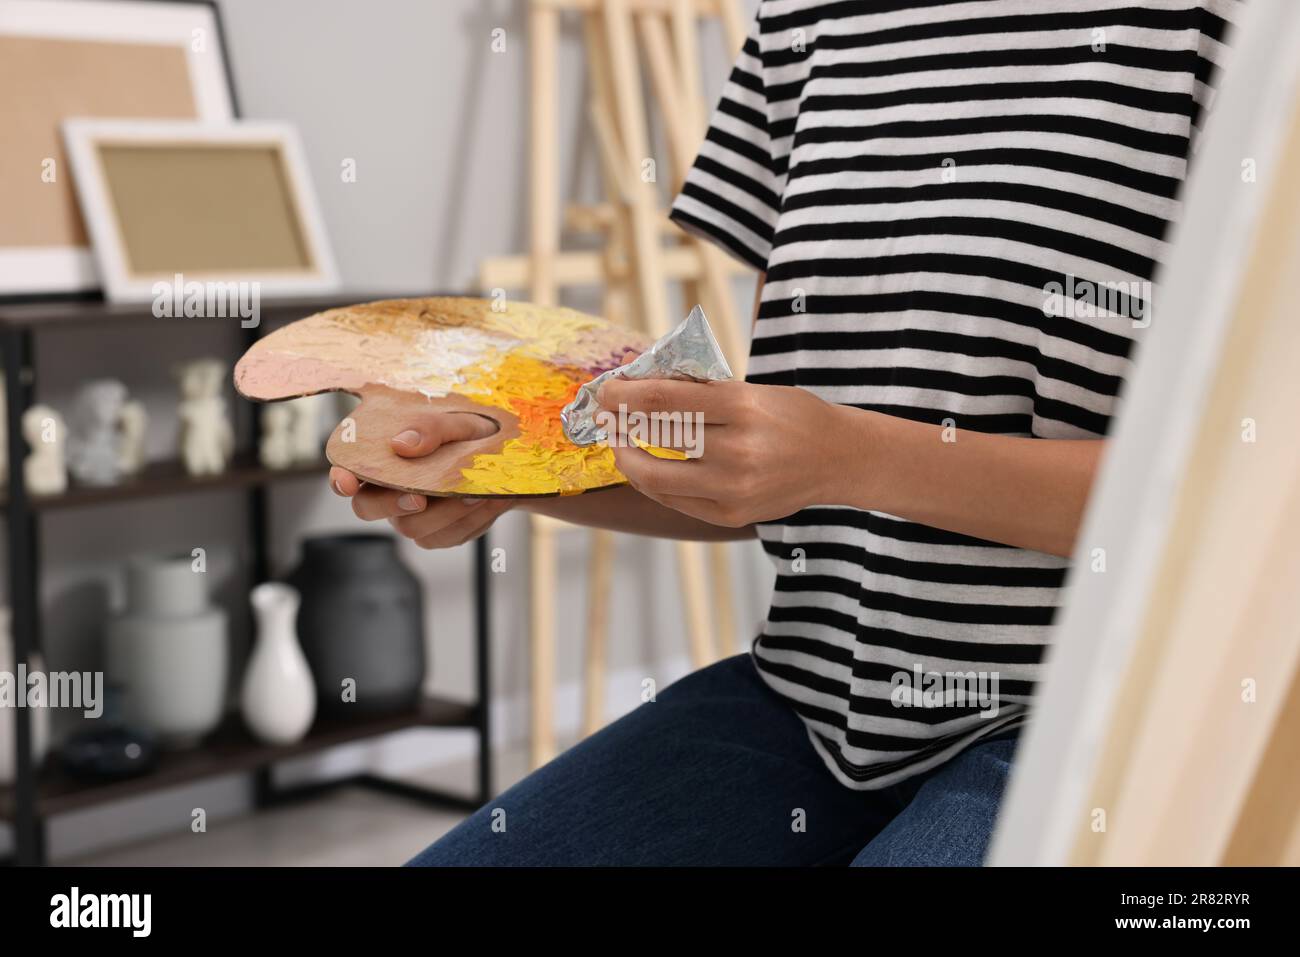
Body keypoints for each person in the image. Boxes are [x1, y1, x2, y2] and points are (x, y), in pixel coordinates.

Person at [330, 0, 1234, 865]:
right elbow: (766, 480)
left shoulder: (1226, 29)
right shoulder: (806, 22)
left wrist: (850, 455)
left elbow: (1243, 501)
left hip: (1102, 724)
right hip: (814, 707)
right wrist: (508, 464)